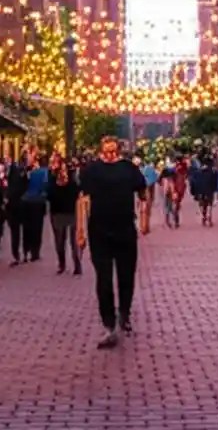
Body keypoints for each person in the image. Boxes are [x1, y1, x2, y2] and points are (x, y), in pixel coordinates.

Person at [79, 136, 147, 349]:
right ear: (101, 150)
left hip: (125, 229)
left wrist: (144, 219)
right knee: (104, 279)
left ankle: (124, 314)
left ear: (118, 150)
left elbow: (143, 193)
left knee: (126, 276)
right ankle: (109, 323)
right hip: (99, 231)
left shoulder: (129, 169)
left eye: (113, 151)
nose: (110, 154)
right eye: (106, 150)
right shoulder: (90, 170)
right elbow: (83, 200)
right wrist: (80, 230)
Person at [47, 152, 82, 275]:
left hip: (68, 212)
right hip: (60, 212)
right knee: (61, 241)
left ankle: (74, 265)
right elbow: (49, 194)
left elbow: (77, 191)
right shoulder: (52, 177)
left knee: (71, 241)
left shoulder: (70, 176)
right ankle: (64, 264)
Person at [22, 154, 49, 262]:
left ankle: (26, 249)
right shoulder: (45, 173)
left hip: (26, 201)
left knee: (27, 227)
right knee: (37, 228)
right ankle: (35, 252)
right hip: (38, 202)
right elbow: (45, 187)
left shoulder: (28, 172)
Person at [5, 156, 28, 266]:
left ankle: (17, 254)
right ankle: (24, 253)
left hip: (14, 207)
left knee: (15, 232)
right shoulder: (23, 178)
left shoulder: (10, 185)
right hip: (22, 206)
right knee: (24, 231)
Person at [190, 156, 217, 227]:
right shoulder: (213, 172)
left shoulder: (197, 172)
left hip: (200, 191)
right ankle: (209, 217)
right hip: (209, 190)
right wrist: (215, 189)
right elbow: (215, 182)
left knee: (202, 204)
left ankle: (203, 217)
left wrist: (194, 192)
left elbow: (193, 182)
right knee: (210, 204)